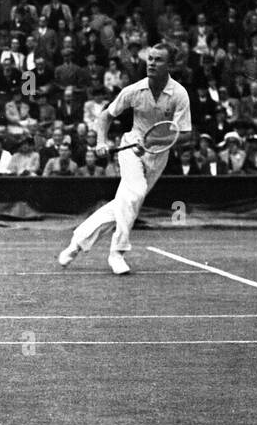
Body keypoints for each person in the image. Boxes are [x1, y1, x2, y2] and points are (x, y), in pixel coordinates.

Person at [57, 41, 191, 274]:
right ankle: (117, 253)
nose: (151, 63)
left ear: (169, 65)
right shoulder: (133, 90)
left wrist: (152, 143)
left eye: (158, 59)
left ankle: (76, 243)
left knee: (124, 203)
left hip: (158, 155)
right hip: (130, 146)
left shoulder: (179, 94)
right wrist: (101, 141)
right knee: (135, 194)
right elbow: (104, 117)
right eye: (150, 58)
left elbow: (186, 134)